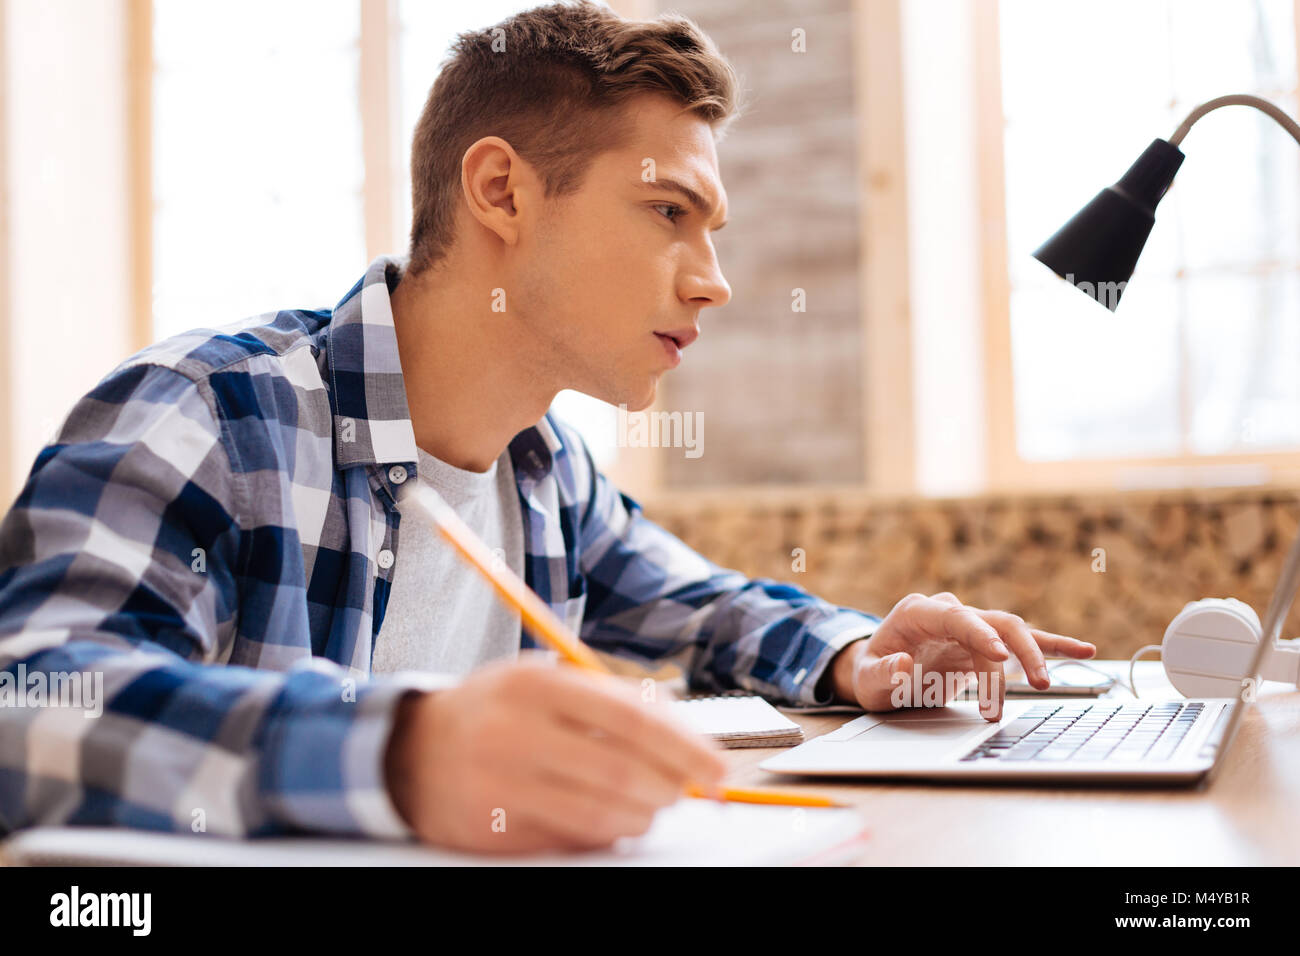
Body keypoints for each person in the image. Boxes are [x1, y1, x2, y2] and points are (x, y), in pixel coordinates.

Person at [0, 0, 1094, 854]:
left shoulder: (541, 467)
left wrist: (861, 654)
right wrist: (408, 757)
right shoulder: (206, 412)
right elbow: (31, 699)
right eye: (670, 211)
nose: (714, 283)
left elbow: (707, 613)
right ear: (502, 193)